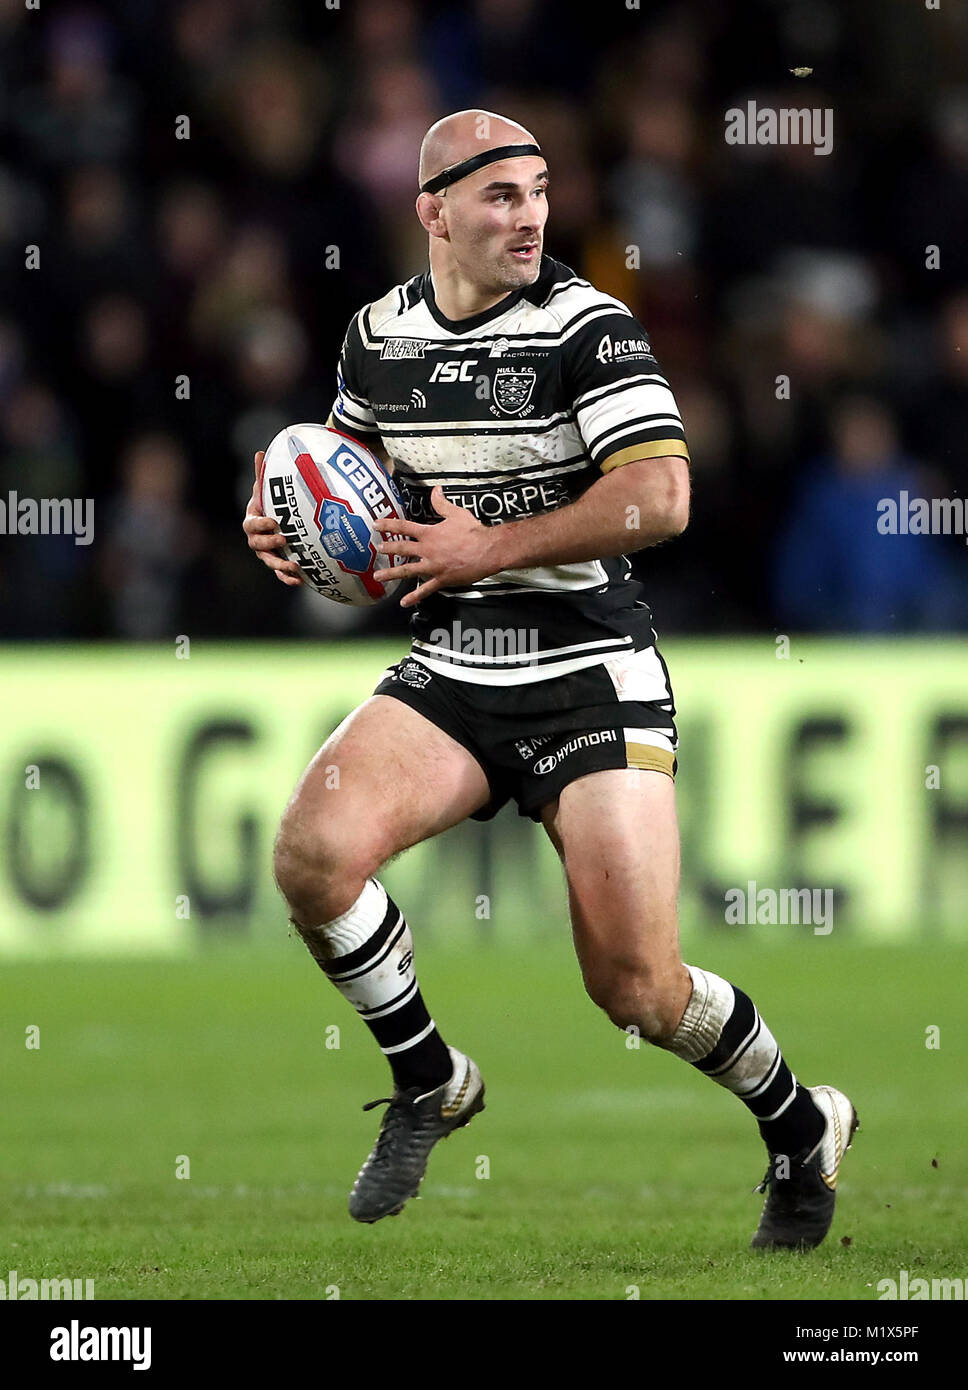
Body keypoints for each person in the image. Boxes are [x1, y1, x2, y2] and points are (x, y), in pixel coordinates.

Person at [243, 109, 857, 1248]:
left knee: (635, 988)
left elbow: (662, 496)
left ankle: (797, 1121)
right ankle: (430, 1078)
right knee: (312, 855)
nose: (528, 216)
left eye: (536, 192)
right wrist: (285, 522)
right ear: (433, 212)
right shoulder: (376, 335)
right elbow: (353, 479)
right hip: (454, 663)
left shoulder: (589, 327)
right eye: (499, 197)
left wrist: (484, 545)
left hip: (589, 672)